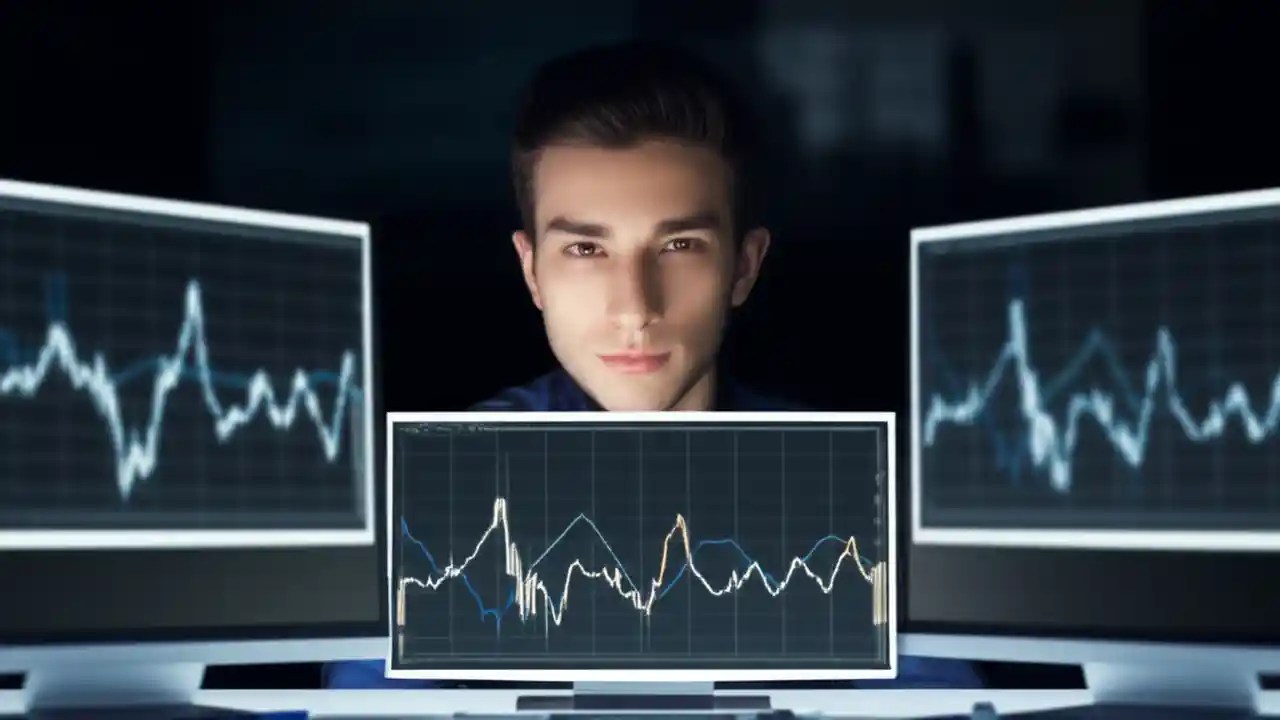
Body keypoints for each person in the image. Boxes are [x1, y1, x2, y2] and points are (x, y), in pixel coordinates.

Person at [326, 42, 982, 689]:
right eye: (586, 249)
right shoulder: (442, 483)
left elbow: (938, 700)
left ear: (744, 266)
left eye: (679, 245)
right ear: (532, 271)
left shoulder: (852, 484)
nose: (636, 309)